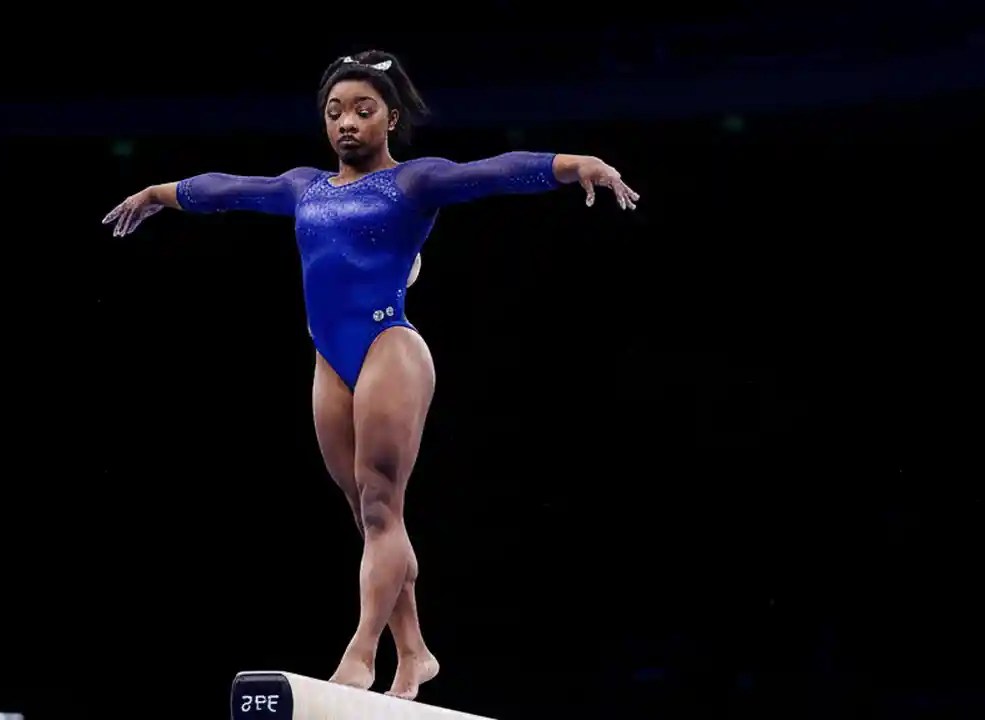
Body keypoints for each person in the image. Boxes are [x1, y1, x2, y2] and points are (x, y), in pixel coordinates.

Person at [101, 49, 640, 700]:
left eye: (362, 110)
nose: (346, 123)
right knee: (369, 514)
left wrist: (572, 165)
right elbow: (231, 189)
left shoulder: (413, 183)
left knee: (382, 504)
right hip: (329, 357)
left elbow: (492, 172)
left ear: (390, 117)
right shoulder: (305, 187)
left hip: (389, 344)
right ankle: (415, 653)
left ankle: (361, 653)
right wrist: (161, 194)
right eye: (334, 112)